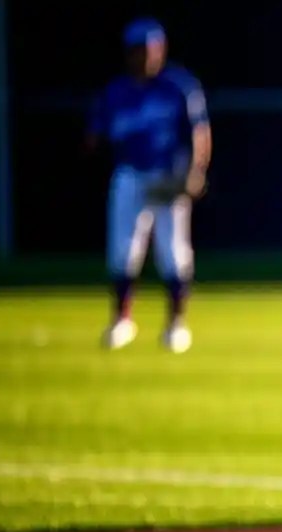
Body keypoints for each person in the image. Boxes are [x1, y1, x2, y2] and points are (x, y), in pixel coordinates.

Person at [86, 17, 211, 354]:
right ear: (130, 53)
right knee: (123, 250)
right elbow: (96, 136)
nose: (148, 56)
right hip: (130, 174)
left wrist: (193, 172)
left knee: (174, 252)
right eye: (142, 50)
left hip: (168, 176)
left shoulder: (177, 86)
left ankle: (176, 324)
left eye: (154, 49)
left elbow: (199, 132)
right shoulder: (116, 92)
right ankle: (122, 320)